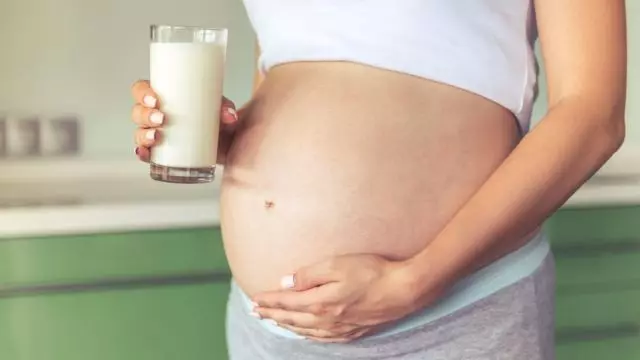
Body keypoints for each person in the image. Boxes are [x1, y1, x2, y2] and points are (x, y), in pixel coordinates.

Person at [130, 1, 627, 359]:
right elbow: (285, 71)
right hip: (272, 329)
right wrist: (228, 137)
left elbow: (593, 113)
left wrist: (417, 281)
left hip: (449, 316)